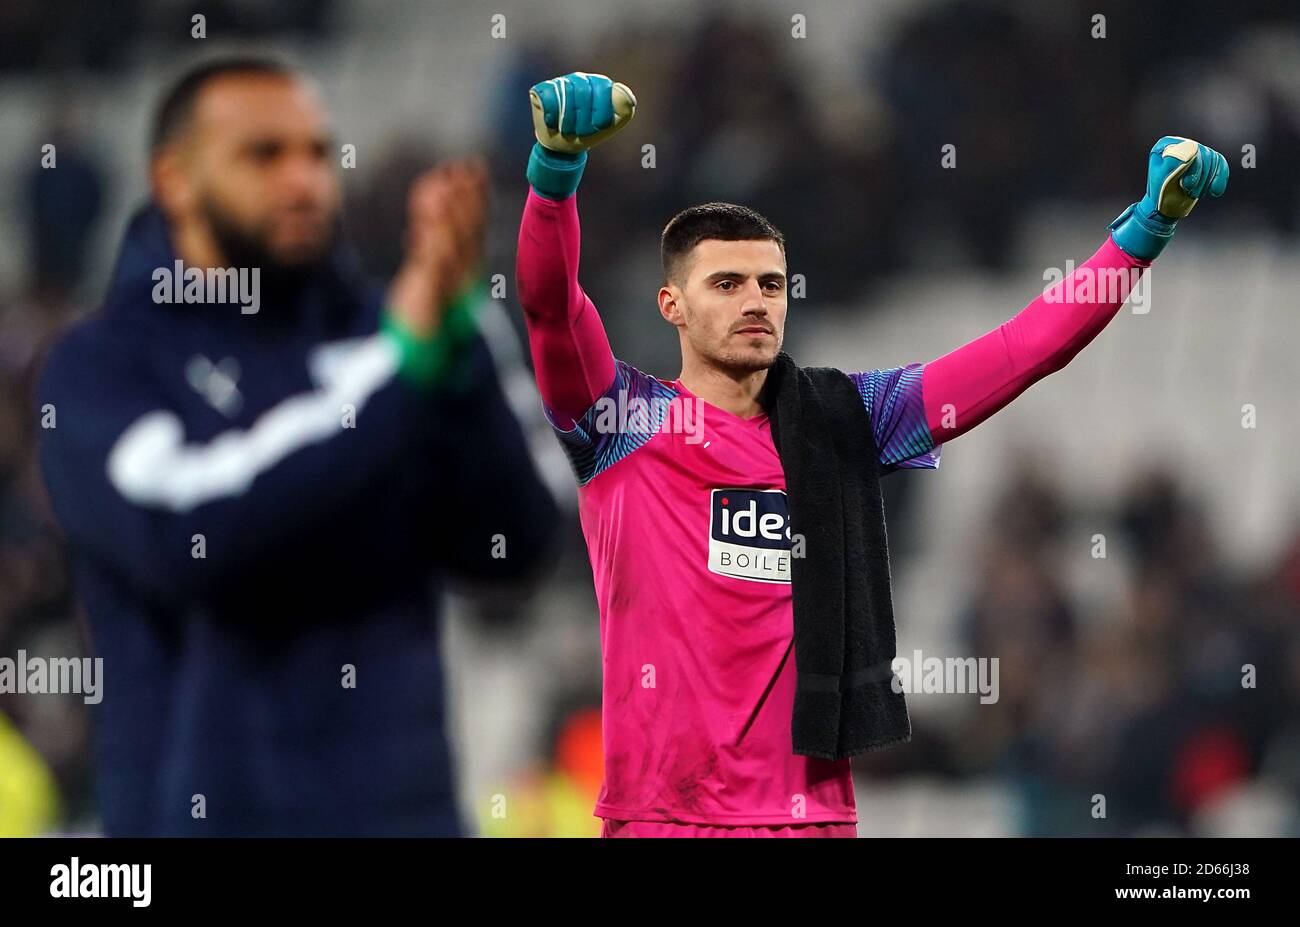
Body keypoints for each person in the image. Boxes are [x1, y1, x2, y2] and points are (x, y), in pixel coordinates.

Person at [514, 72, 1228, 838]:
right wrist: (555, 176)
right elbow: (551, 308)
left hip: (809, 822)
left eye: (770, 284)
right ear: (673, 307)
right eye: (727, 283)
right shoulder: (623, 422)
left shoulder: (845, 420)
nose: (756, 301)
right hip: (667, 819)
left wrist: (1145, 230)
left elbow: (1022, 350)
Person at [36, 56, 557, 836]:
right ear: (174, 180)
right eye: (264, 154)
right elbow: (187, 532)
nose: (305, 180)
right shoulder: (103, 364)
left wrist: (457, 368)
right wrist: (398, 365)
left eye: (318, 152)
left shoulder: (390, 331)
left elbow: (514, 547)